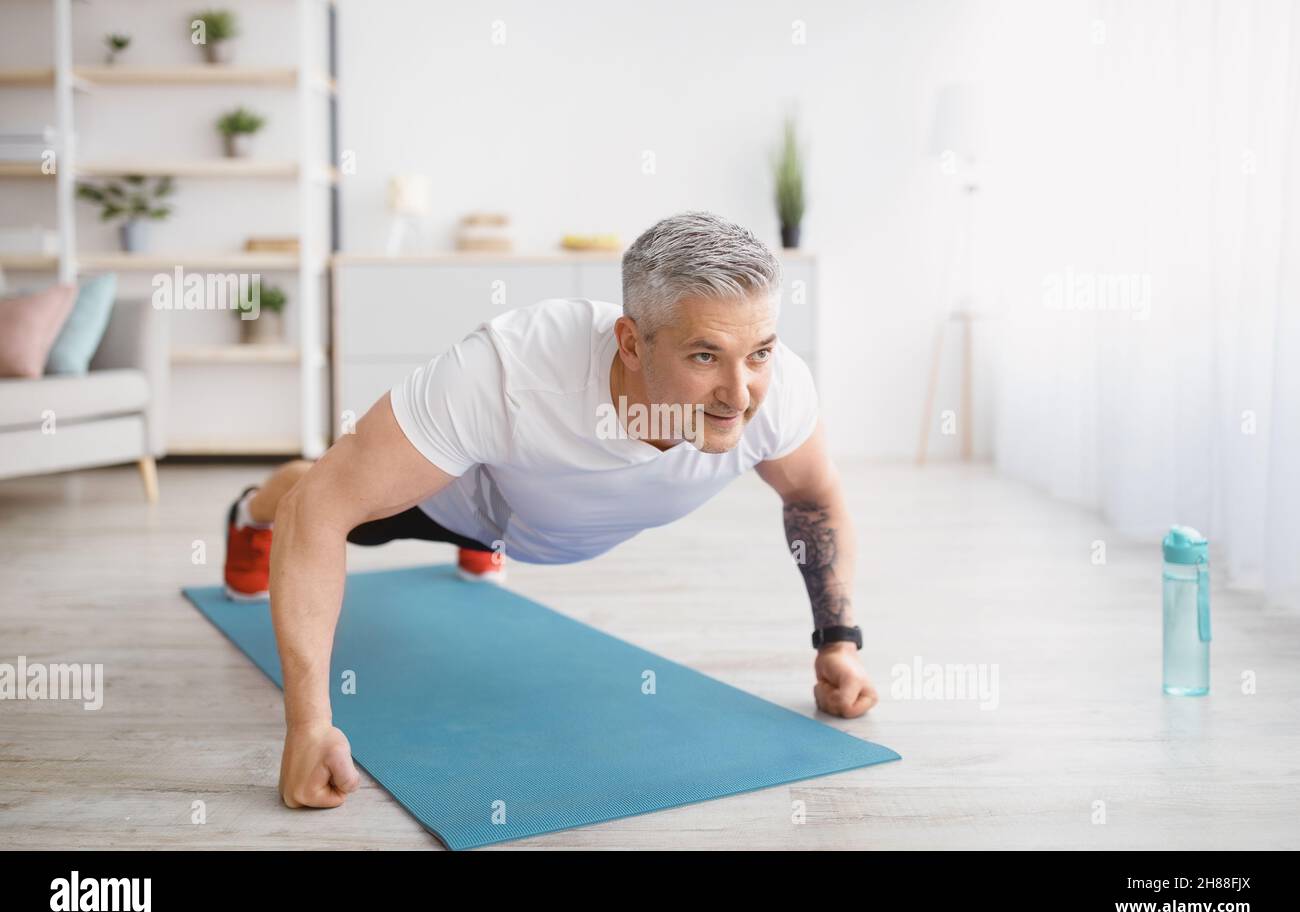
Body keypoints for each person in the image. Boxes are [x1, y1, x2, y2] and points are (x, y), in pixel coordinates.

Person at [222, 210, 879, 810]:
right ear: (630, 343)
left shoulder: (778, 387)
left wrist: (839, 643)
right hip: (467, 500)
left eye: (760, 351)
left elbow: (814, 499)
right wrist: (309, 726)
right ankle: (249, 515)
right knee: (317, 488)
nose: (740, 393)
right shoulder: (509, 374)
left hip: (544, 506)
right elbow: (322, 509)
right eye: (705, 355)